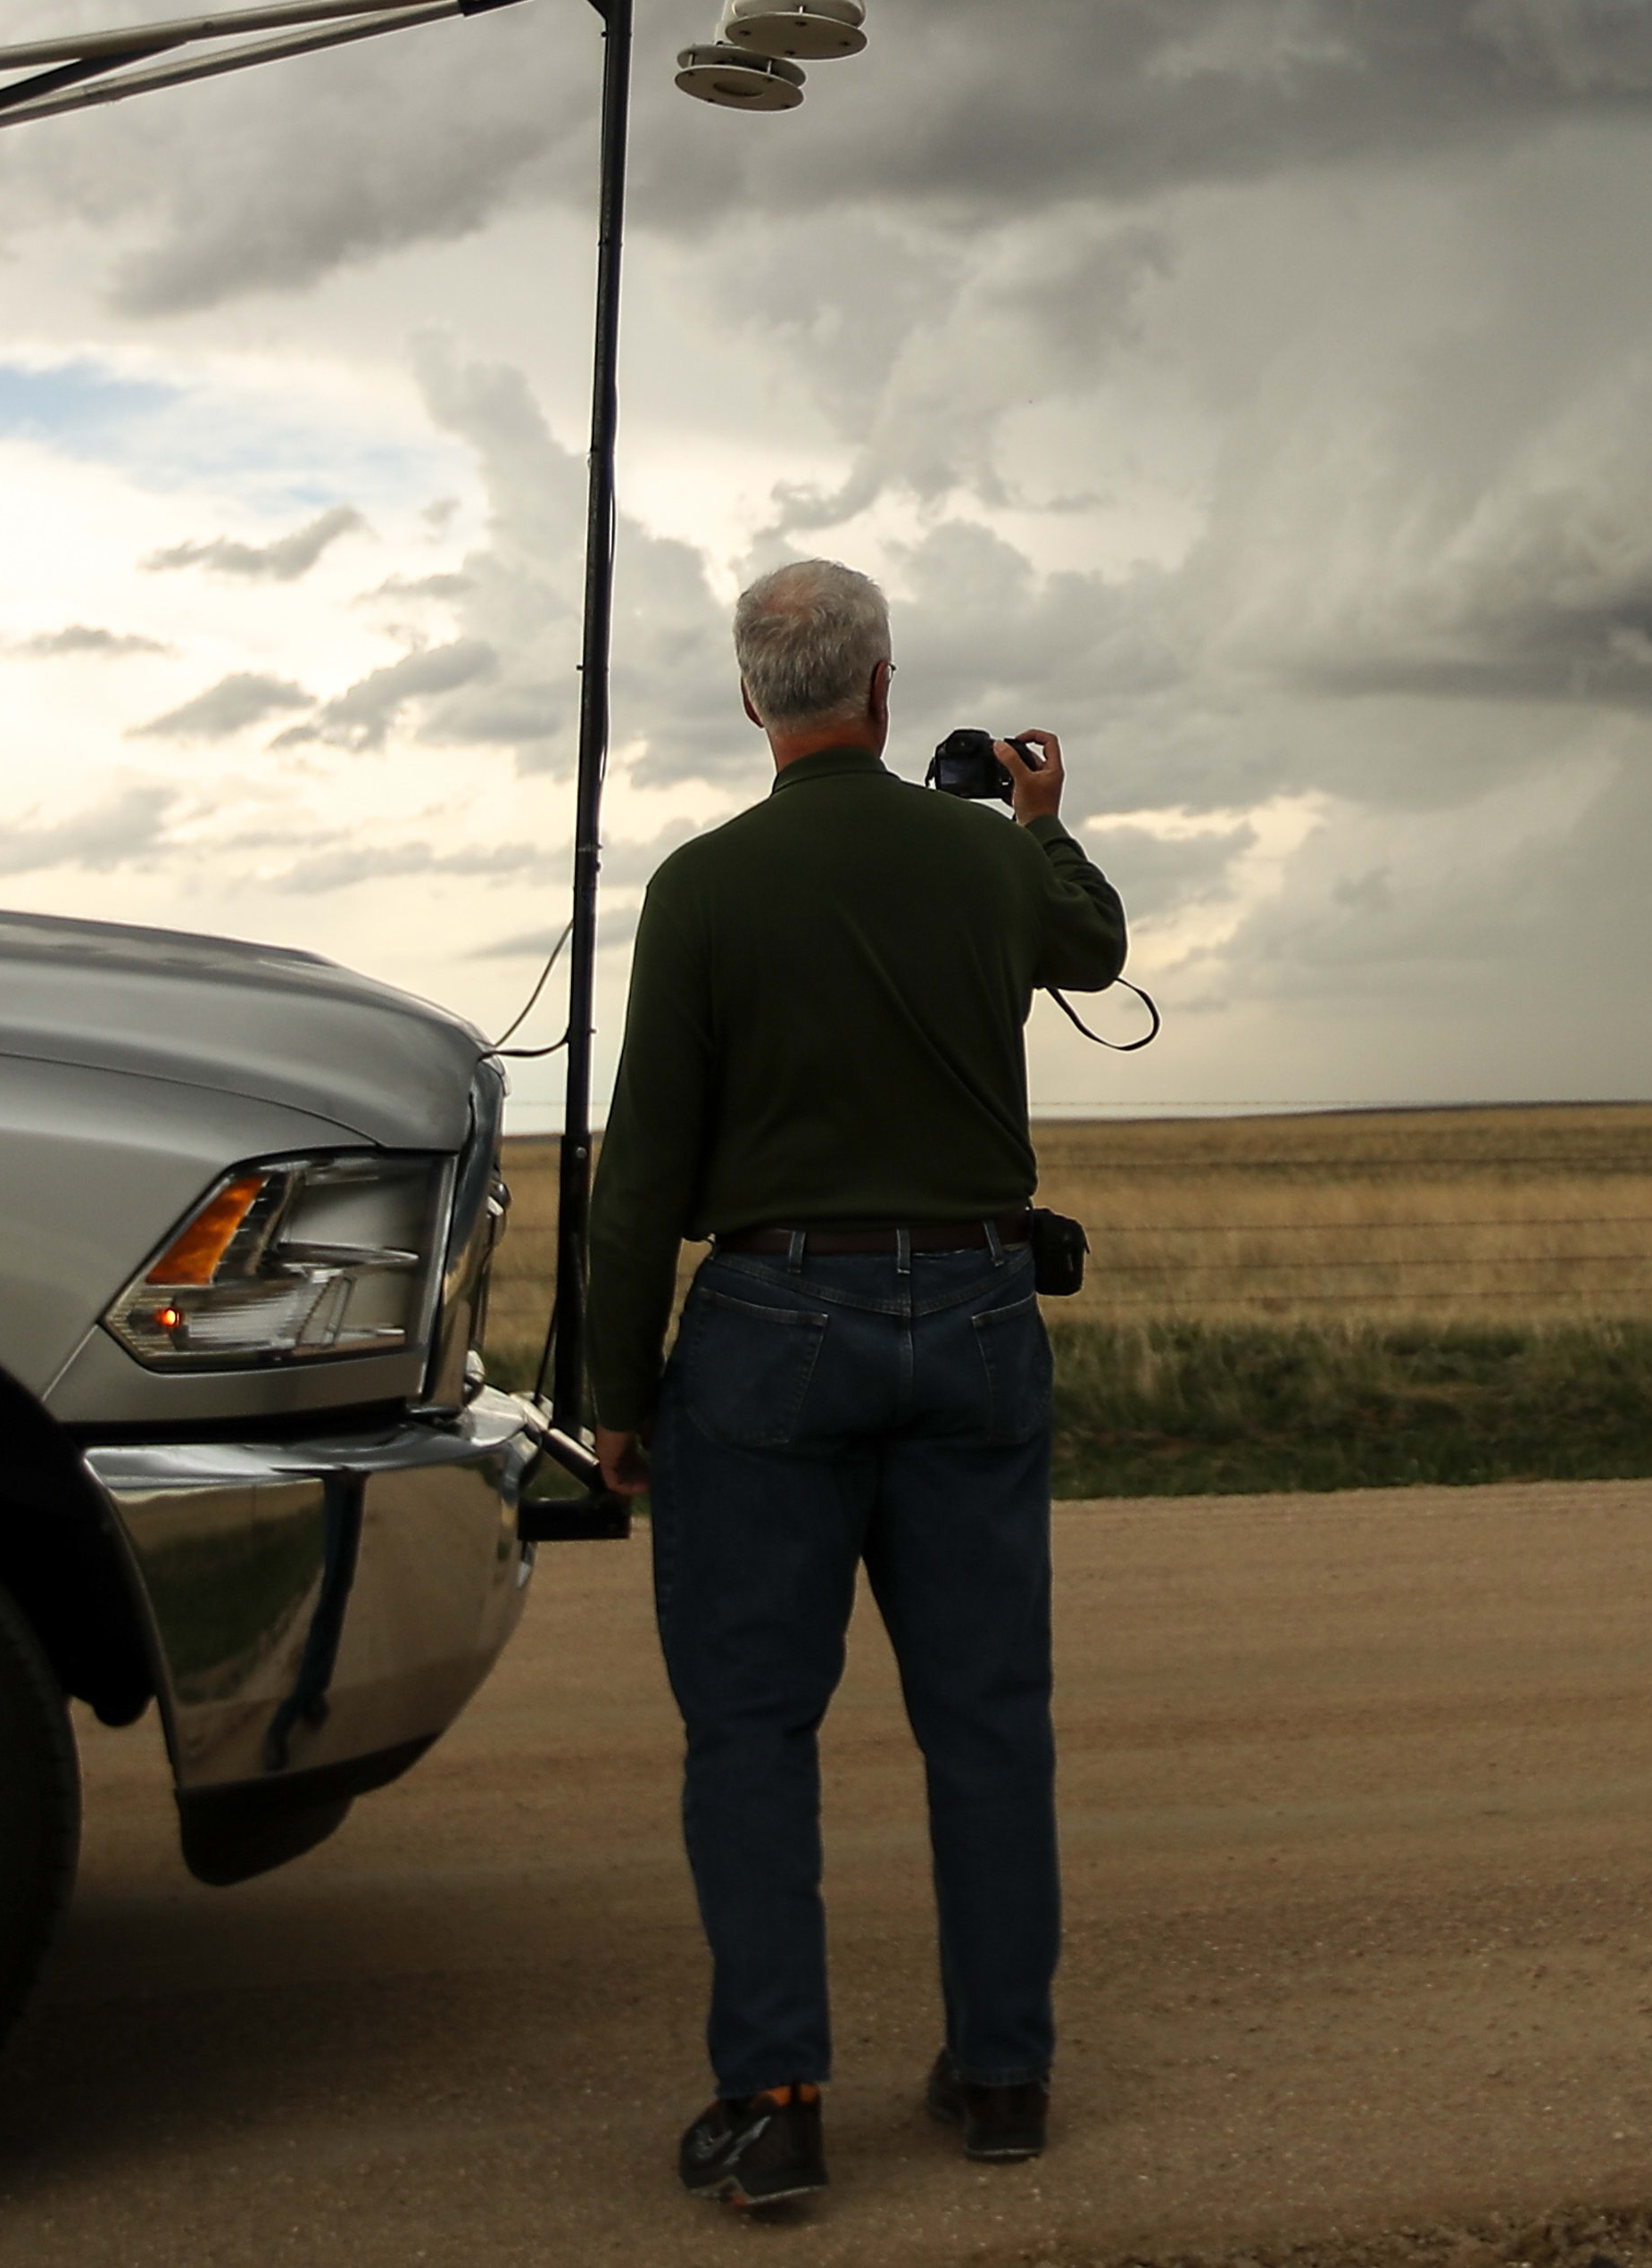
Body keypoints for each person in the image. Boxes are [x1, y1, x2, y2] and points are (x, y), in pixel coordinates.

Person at [583, 555, 1128, 2215]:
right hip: (978, 1312)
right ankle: (1004, 2074)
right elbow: (1096, 947)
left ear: (752, 700)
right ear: (885, 690)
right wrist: (1039, 820)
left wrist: (617, 1390)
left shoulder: (701, 887)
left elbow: (645, 1165)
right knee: (988, 1715)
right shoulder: (986, 860)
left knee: (753, 1723)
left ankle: (775, 2105)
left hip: (771, 1327)